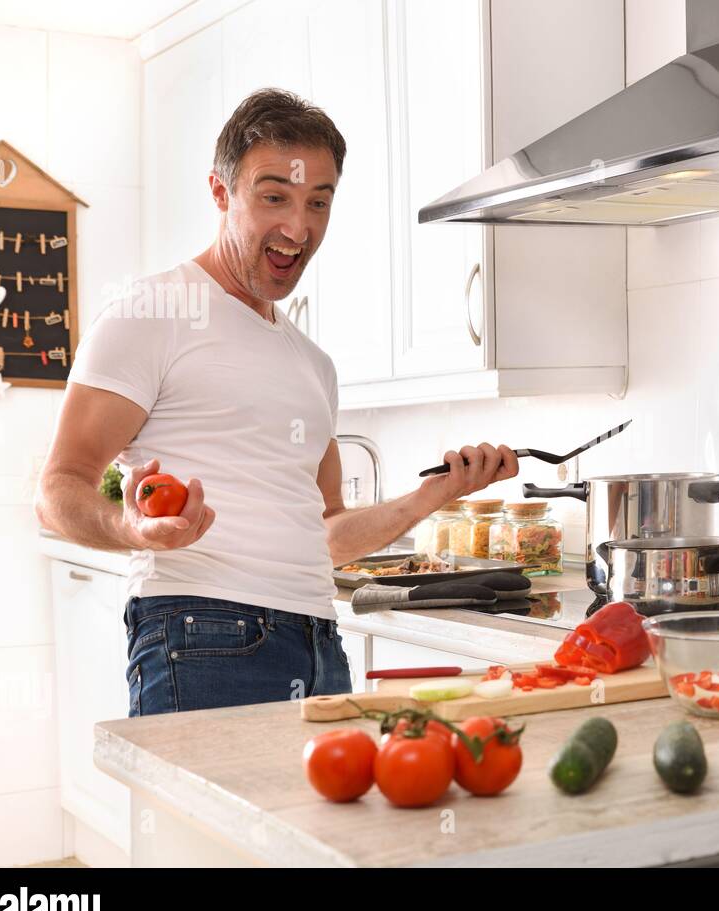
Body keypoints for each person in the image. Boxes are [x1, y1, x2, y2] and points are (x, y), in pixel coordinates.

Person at [35, 88, 518, 716]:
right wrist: (129, 529)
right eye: (274, 197)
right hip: (201, 630)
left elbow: (324, 533)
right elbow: (57, 487)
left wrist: (429, 498)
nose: (299, 227)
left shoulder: (312, 363)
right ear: (220, 193)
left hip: (317, 641)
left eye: (318, 202)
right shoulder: (151, 312)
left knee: (316, 819)